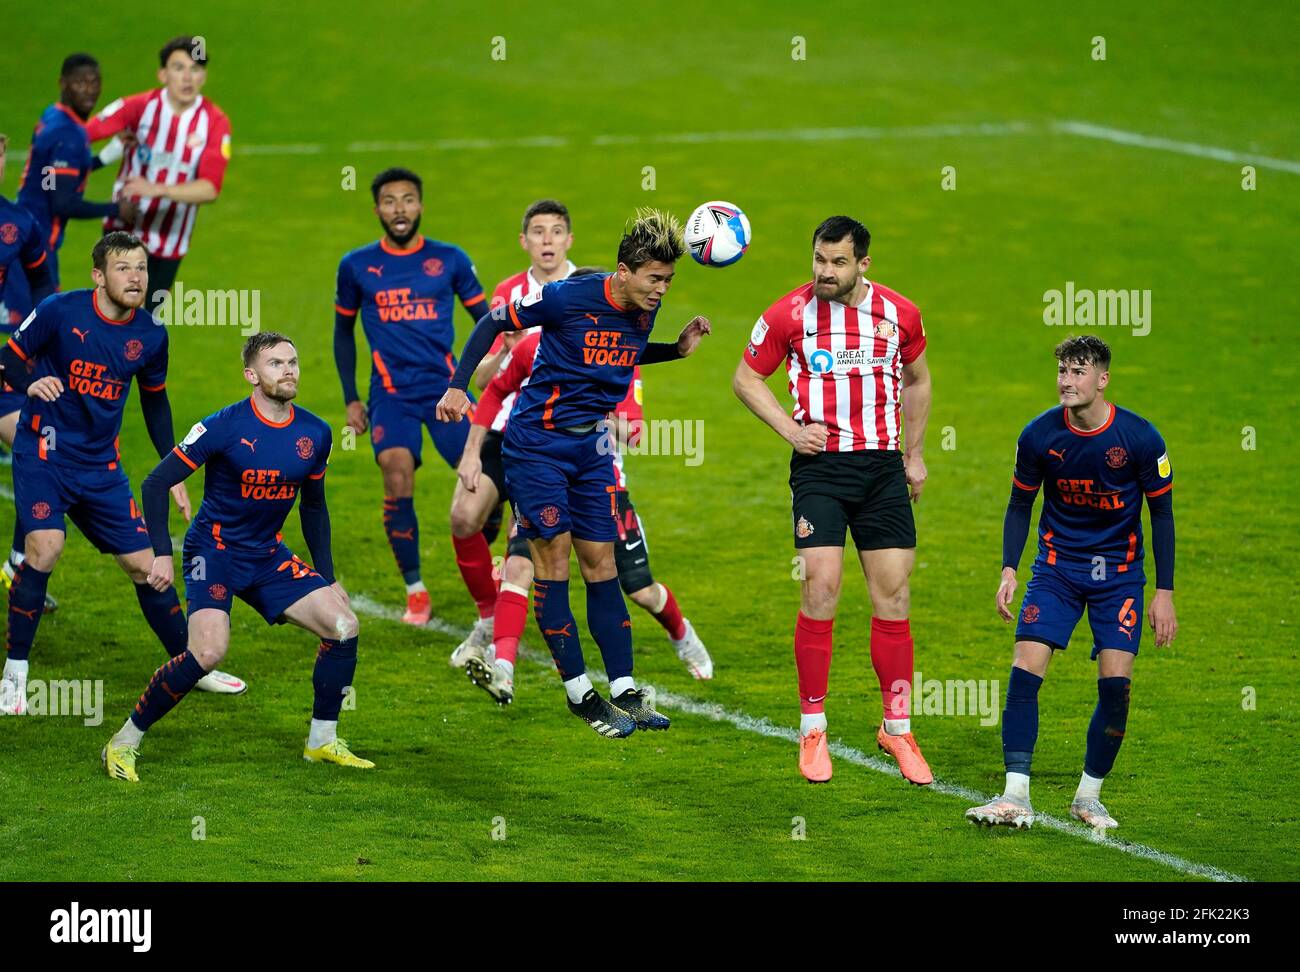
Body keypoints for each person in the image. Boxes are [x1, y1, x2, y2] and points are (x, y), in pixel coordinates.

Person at [437, 209, 709, 738]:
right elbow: (496, 320)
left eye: (669, 281)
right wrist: (456, 385)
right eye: (655, 279)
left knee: (601, 563)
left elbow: (622, 352)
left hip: (591, 448)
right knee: (553, 560)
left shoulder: (645, 308)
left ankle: (626, 688)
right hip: (536, 447)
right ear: (625, 271)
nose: (662, 290)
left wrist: (674, 351)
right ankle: (580, 694)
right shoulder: (568, 297)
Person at [102, 331, 371, 782]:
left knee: (344, 627)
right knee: (207, 651)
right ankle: (123, 741)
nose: (288, 370)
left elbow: (314, 506)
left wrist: (327, 577)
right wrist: (162, 555)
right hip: (215, 552)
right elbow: (154, 483)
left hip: (267, 555)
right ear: (251, 374)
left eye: (293, 361)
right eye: (275, 364)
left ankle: (321, 742)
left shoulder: (315, 433)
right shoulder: (223, 426)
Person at [0, 233, 244, 718]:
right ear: (98, 275)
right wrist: (31, 381)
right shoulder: (59, 311)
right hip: (43, 455)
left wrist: (174, 469)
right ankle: (14, 675)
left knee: (148, 569)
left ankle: (192, 663)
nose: (135, 277)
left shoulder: (151, 335)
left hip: (101, 469)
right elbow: (8, 357)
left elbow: (155, 403)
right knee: (45, 547)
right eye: (123, 268)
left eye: (141, 268)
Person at [732, 215, 933, 785]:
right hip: (820, 470)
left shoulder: (901, 314)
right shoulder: (787, 315)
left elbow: (918, 380)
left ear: (863, 263)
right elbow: (746, 379)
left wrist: (913, 454)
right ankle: (812, 727)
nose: (825, 271)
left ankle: (896, 730)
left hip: (882, 469)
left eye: (837, 262)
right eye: (819, 260)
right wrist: (792, 432)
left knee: (893, 594)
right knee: (820, 585)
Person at [966, 335, 1176, 831]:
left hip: (1119, 577)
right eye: (1062, 370)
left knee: (1116, 686)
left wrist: (1163, 593)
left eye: (1078, 372)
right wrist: (1009, 568)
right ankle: (1015, 793)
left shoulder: (1140, 439)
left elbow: (1162, 514)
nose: (1066, 380)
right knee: (1026, 669)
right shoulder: (1039, 436)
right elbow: (1020, 504)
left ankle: (1088, 796)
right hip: (1058, 570)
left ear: (1102, 380)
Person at [333, 167, 495, 644]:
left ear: (420, 206)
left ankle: (490, 576)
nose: (399, 209)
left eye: (407, 200)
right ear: (377, 209)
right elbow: (343, 333)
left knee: (482, 479)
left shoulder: (450, 260)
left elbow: (486, 320)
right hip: (391, 396)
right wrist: (350, 398)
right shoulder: (357, 266)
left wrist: (481, 378)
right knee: (397, 472)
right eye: (389, 201)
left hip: (446, 392)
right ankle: (416, 589)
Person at [86, 36, 232, 313]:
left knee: (142, 324)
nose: (187, 77)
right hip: (123, 231)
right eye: (179, 68)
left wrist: (157, 189)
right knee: (108, 316)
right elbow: (82, 135)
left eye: (195, 69)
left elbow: (210, 189)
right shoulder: (138, 107)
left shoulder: (214, 122)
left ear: (204, 76)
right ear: (163, 74)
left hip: (169, 244)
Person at [10, 53, 135, 305]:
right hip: (34, 247)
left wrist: (105, 157)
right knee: (39, 332)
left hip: (22, 234)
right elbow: (63, 203)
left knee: (36, 332)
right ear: (63, 84)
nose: (89, 90)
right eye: (80, 82)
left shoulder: (53, 116)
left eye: (94, 82)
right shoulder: (68, 134)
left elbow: (55, 177)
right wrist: (117, 209)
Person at [0, 132, 57, 610]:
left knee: (39, 445)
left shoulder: (18, 223)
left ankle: (20, 562)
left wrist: (40, 328)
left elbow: (41, 277)